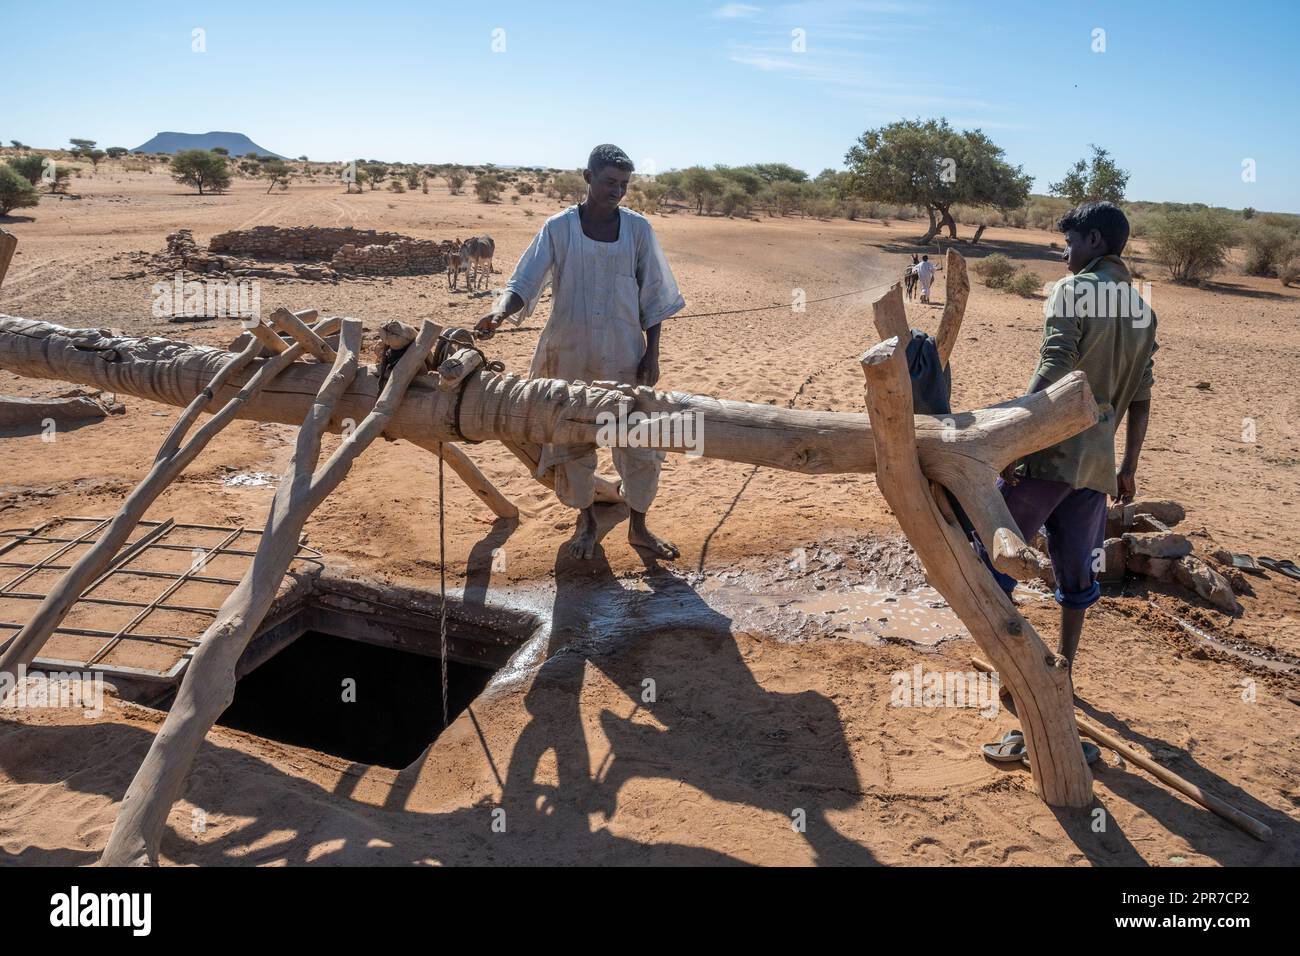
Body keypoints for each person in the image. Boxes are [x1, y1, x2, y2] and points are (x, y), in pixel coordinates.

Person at [475, 144, 685, 560]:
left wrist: (652, 354)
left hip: (626, 357)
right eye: (609, 182)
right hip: (568, 356)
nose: (617, 191)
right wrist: (499, 314)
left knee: (640, 441)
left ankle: (639, 527)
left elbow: (655, 296)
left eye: (624, 184)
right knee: (571, 442)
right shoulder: (559, 228)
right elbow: (523, 283)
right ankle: (586, 522)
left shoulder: (638, 230)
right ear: (588, 177)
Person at [977, 200, 1157, 670]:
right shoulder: (1143, 311)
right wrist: (1128, 468)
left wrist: (1013, 433)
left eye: (1070, 242)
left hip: (1048, 455)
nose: (1064, 253)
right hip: (1096, 467)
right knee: (1078, 576)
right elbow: (1141, 396)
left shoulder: (1072, 290)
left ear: (1094, 241)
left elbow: (1055, 363)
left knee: (993, 556)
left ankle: (1012, 665)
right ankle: (1064, 668)